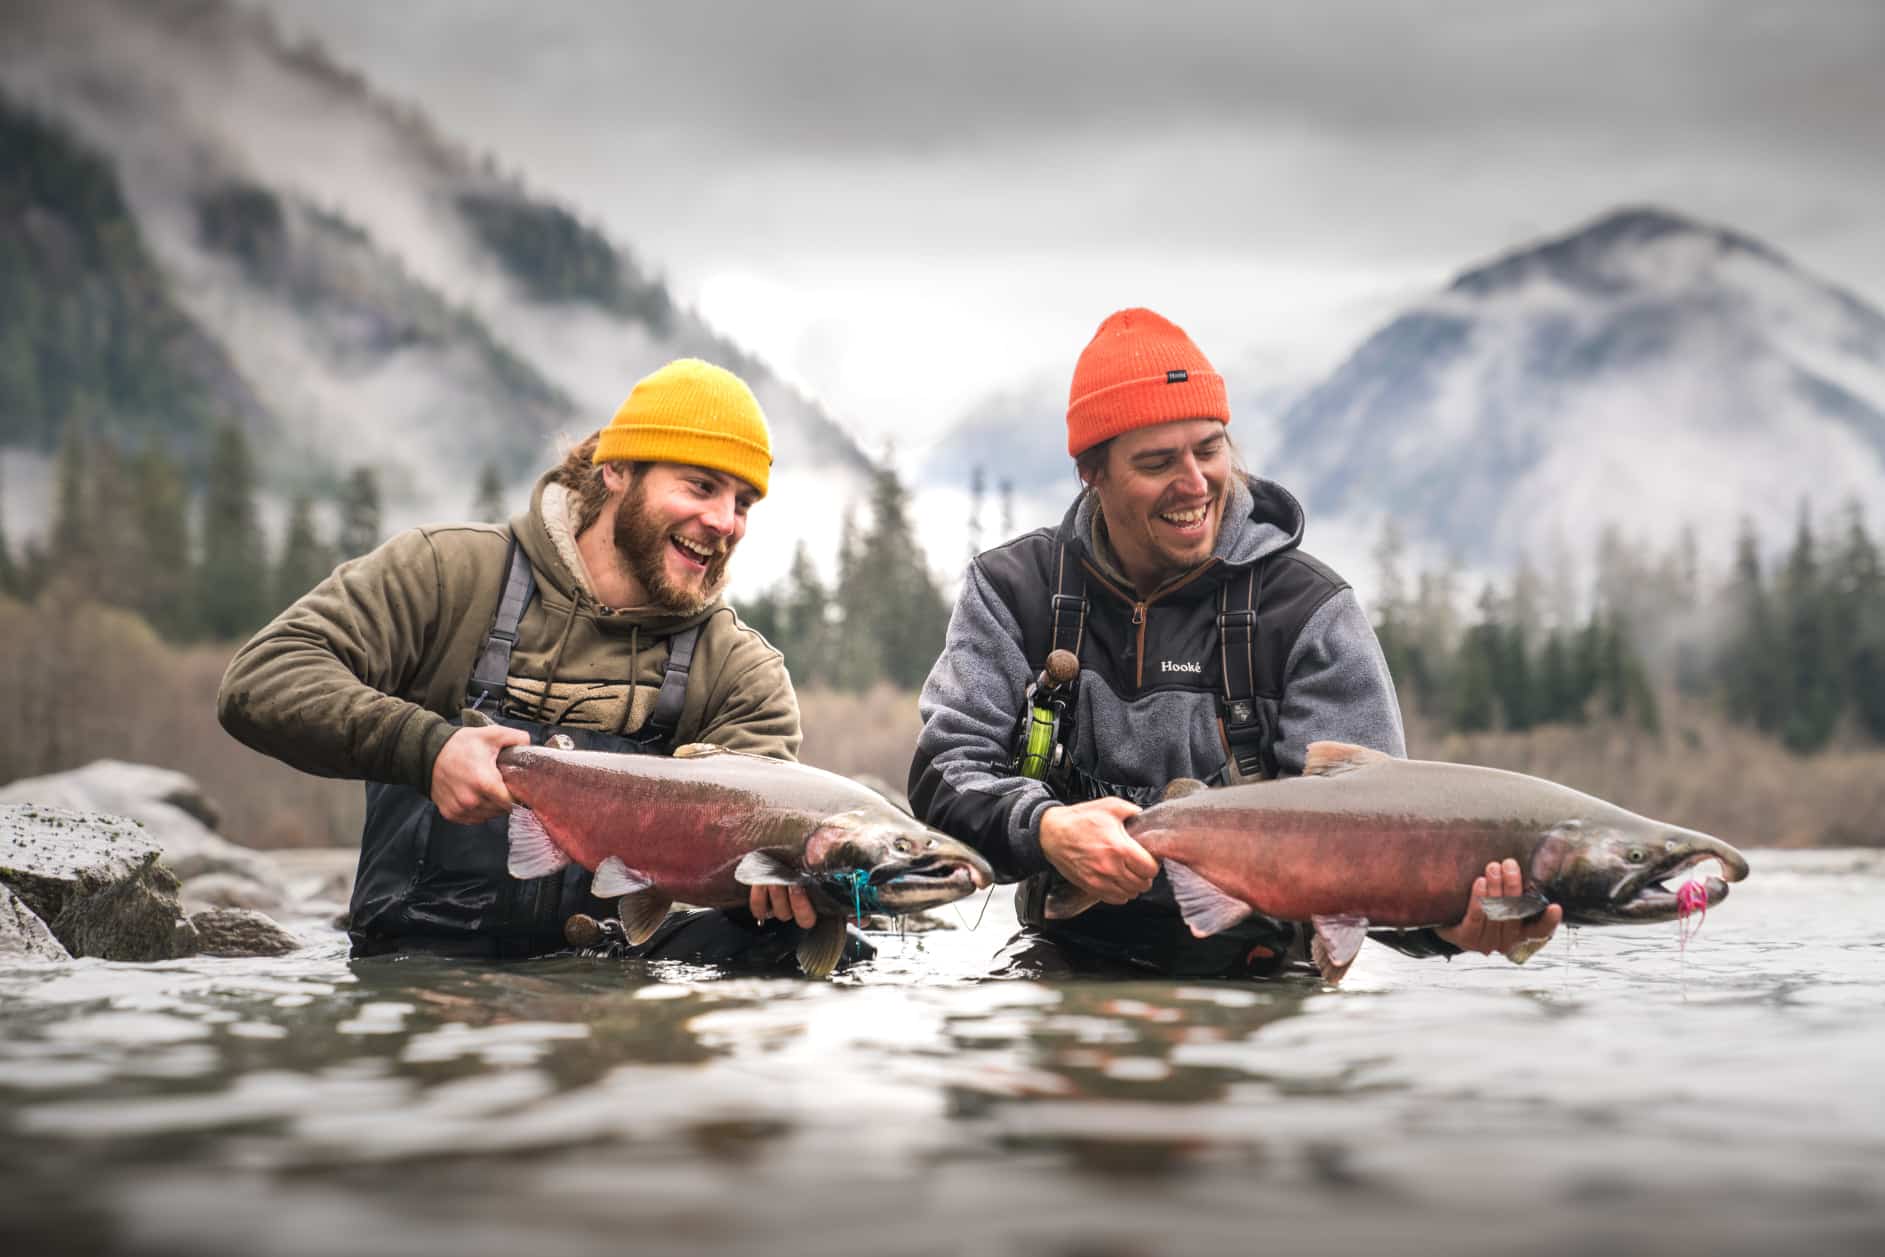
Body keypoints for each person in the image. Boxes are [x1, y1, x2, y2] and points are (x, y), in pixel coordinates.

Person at [908, 309, 1560, 980]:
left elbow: (1378, 840)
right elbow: (942, 776)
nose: (1194, 482)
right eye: (1158, 461)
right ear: (1091, 473)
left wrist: (1449, 924)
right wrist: (1045, 828)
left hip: (1262, 971)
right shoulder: (1014, 590)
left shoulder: (1308, 612)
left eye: (1209, 448)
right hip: (1067, 954)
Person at [219, 358, 848, 966]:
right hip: (418, 973)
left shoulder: (741, 673)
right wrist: (429, 747)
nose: (723, 522)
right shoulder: (448, 574)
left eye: (743, 502)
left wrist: (784, 896)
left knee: (812, 951)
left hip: (608, 998)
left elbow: (750, 863)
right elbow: (265, 676)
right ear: (618, 471)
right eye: (700, 486)